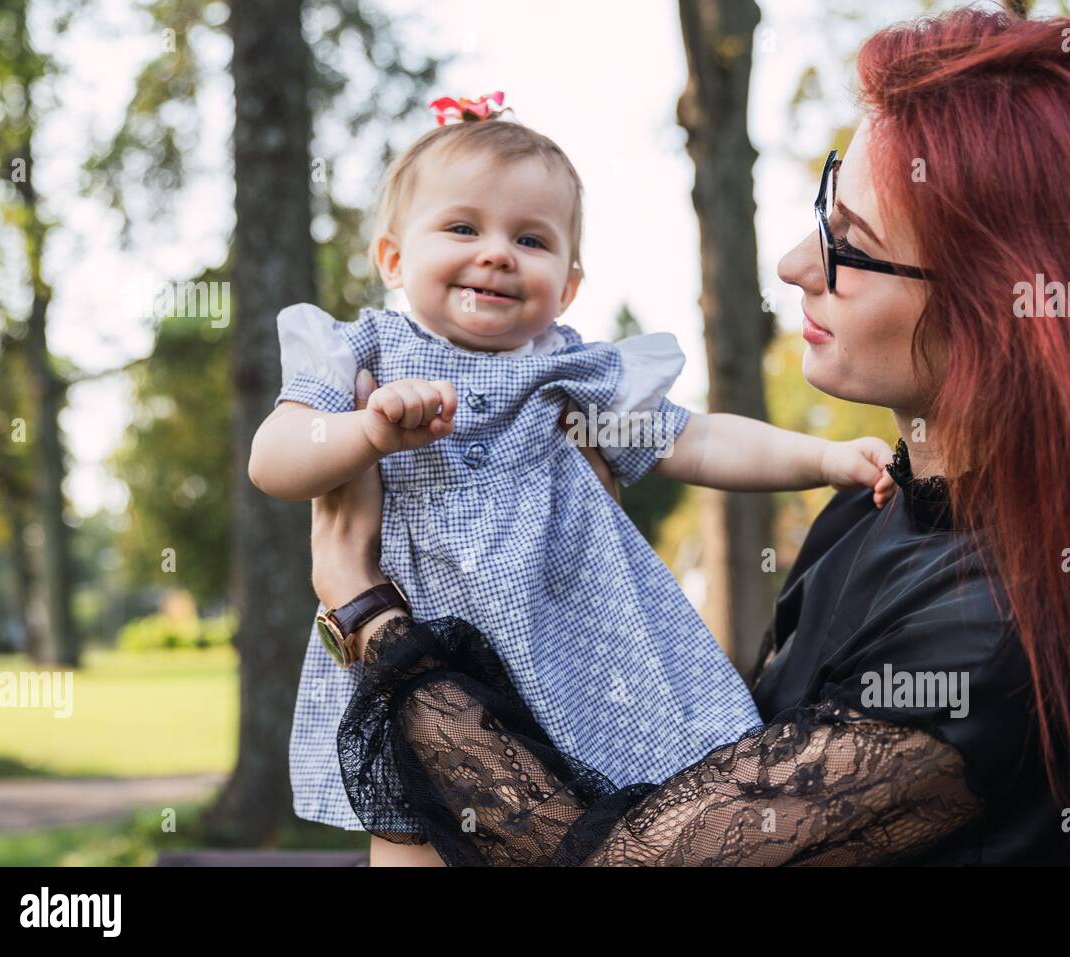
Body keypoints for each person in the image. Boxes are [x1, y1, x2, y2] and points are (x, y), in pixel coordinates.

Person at [314, 7, 1070, 865]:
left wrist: (370, 615)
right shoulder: (877, 502)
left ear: (1015, 309)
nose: (795, 262)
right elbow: (720, 760)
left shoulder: (1001, 635)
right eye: (825, 204)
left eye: (849, 240)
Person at [247, 100, 897, 861]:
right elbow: (276, 457)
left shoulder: (567, 374)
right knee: (416, 830)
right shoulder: (364, 355)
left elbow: (696, 438)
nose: (496, 253)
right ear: (393, 258)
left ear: (570, 283)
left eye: (531, 238)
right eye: (462, 228)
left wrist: (823, 461)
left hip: (578, 661)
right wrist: (366, 431)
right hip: (418, 658)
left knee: (590, 826)